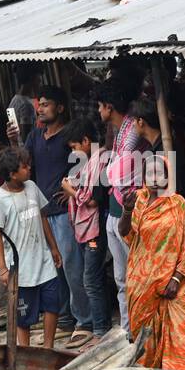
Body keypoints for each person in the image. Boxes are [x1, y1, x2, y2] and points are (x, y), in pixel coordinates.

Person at [20, 84, 91, 346]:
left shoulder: (69, 135)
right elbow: (25, 163)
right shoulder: (35, 136)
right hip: (42, 211)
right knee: (53, 268)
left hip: (64, 211)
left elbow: (83, 165)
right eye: (39, 104)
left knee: (73, 267)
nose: (40, 109)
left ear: (60, 108)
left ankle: (84, 319)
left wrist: (71, 190)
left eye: (46, 104)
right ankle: (63, 318)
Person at [117, 155, 185, 370]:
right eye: (150, 173)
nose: (154, 178)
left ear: (167, 175)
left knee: (181, 333)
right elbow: (124, 233)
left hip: (173, 282)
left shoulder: (177, 203)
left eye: (159, 173)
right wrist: (126, 211)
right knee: (145, 337)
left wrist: (176, 278)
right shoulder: (137, 200)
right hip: (141, 282)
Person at [0, 146, 62, 348]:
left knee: (53, 304)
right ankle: (26, 351)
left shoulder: (31, 186)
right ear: (12, 175)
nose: (29, 168)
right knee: (24, 316)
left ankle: (48, 348)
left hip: (44, 259)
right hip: (20, 268)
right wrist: (2, 268)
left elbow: (43, 216)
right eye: (24, 166)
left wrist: (53, 247)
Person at [98, 80, 146, 331]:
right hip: (115, 211)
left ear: (108, 107)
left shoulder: (131, 132)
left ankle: (139, 328)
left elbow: (116, 175)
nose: (98, 111)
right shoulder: (118, 131)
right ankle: (128, 329)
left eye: (99, 106)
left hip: (128, 211)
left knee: (134, 276)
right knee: (121, 278)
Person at [63, 117, 111, 341]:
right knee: (93, 278)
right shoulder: (89, 161)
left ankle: (101, 330)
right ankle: (101, 327)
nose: (74, 152)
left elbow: (91, 200)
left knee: (91, 279)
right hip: (86, 228)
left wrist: (70, 190)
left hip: (94, 229)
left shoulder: (100, 160)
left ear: (85, 141)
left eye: (74, 147)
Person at [7, 63, 41, 144]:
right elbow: (26, 137)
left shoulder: (14, 100)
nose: (39, 84)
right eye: (38, 80)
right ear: (32, 79)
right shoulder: (26, 105)